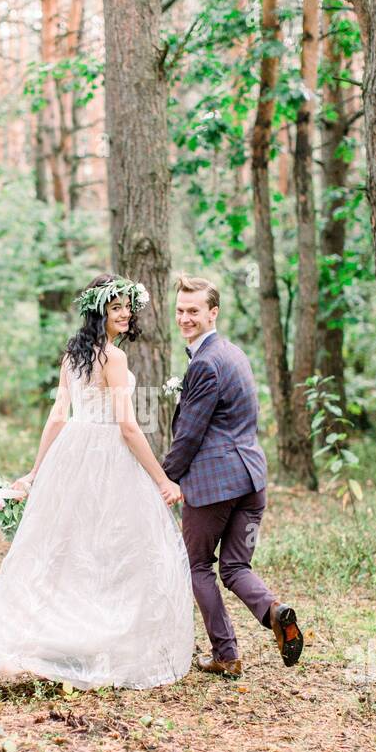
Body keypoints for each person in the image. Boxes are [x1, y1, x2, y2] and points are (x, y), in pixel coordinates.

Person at [0, 274, 194, 689]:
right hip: (106, 455)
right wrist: (161, 479)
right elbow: (129, 427)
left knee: (72, 545)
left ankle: (69, 634)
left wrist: (40, 470)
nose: (124, 313)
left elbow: (60, 417)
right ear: (99, 310)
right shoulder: (113, 359)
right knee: (105, 545)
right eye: (116, 306)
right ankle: (91, 637)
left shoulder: (73, 355)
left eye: (127, 307)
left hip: (73, 454)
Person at [162, 274, 304, 676]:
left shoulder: (205, 363)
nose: (185, 318)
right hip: (252, 481)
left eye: (193, 311)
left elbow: (189, 434)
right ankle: (275, 611)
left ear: (213, 312)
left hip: (214, 486)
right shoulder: (234, 353)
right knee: (236, 567)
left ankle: (226, 655)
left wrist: (166, 478)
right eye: (180, 310)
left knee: (198, 565)